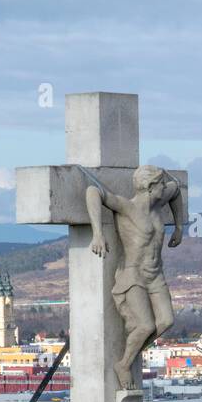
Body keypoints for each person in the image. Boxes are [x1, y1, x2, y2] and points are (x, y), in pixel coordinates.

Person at [83, 164, 186, 390]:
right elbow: (93, 192)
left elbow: (176, 189)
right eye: (160, 185)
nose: (163, 188)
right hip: (133, 274)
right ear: (149, 187)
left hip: (155, 274)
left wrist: (179, 227)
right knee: (146, 326)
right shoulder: (127, 207)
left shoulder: (159, 201)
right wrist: (97, 233)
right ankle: (124, 364)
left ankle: (133, 348)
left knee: (167, 321)